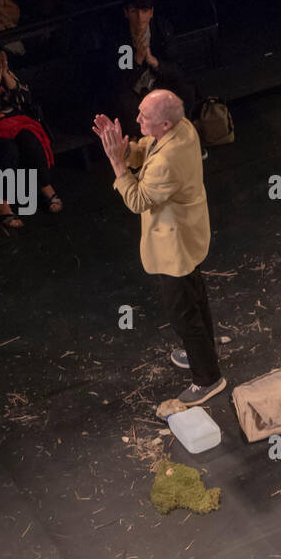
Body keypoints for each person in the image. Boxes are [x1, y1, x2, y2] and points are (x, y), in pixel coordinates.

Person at [93, 89, 225, 405]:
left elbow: (138, 199)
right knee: (195, 296)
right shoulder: (184, 128)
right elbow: (148, 148)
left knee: (183, 314)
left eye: (145, 117)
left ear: (164, 124)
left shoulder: (166, 163)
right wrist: (125, 151)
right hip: (189, 232)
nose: (137, 119)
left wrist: (116, 163)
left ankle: (208, 378)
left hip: (174, 245)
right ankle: (203, 352)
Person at [108, 0, 197, 137]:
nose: (139, 17)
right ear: (126, 13)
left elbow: (177, 69)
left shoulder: (161, 29)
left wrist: (154, 62)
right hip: (135, 89)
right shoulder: (121, 38)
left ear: (151, 12)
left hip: (160, 82)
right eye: (133, 11)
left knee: (185, 90)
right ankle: (147, 146)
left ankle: (184, 137)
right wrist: (137, 59)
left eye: (144, 11)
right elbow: (122, 81)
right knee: (126, 103)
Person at [0, 48, 61, 229]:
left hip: (15, 123)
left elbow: (25, 98)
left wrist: (5, 72)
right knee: (7, 149)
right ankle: (2, 204)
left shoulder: (0, 69)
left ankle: (46, 187)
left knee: (28, 139)